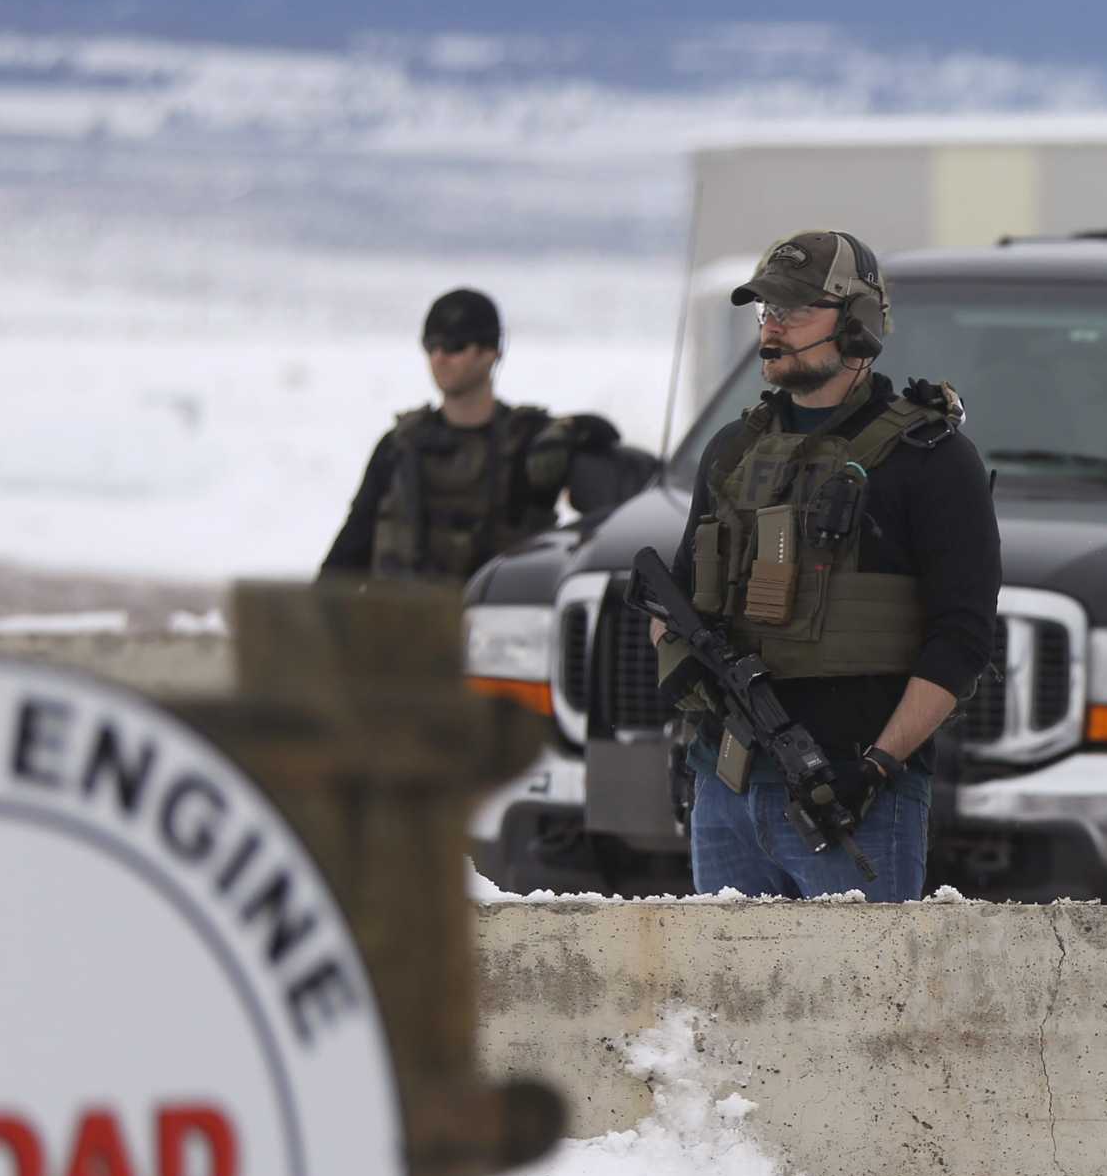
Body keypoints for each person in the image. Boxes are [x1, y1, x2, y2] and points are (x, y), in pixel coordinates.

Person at [655, 230, 1001, 900]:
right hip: (726, 794)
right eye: (765, 312)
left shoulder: (929, 460)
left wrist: (875, 767)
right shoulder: (733, 451)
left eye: (792, 310)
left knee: (865, 1002)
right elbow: (673, 601)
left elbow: (962, 642)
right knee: (720, 1003)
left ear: (857, 325)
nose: (772, 327)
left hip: (852, 807)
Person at [319, 288, 625, 581]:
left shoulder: (529, 444)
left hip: (497, 626)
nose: (439, 357)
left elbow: (608, 454)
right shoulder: (397, 448)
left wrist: (569, 430)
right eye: (431, 346)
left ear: (489, 352)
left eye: (454, 346)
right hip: (404, 626)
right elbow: (347, 554)